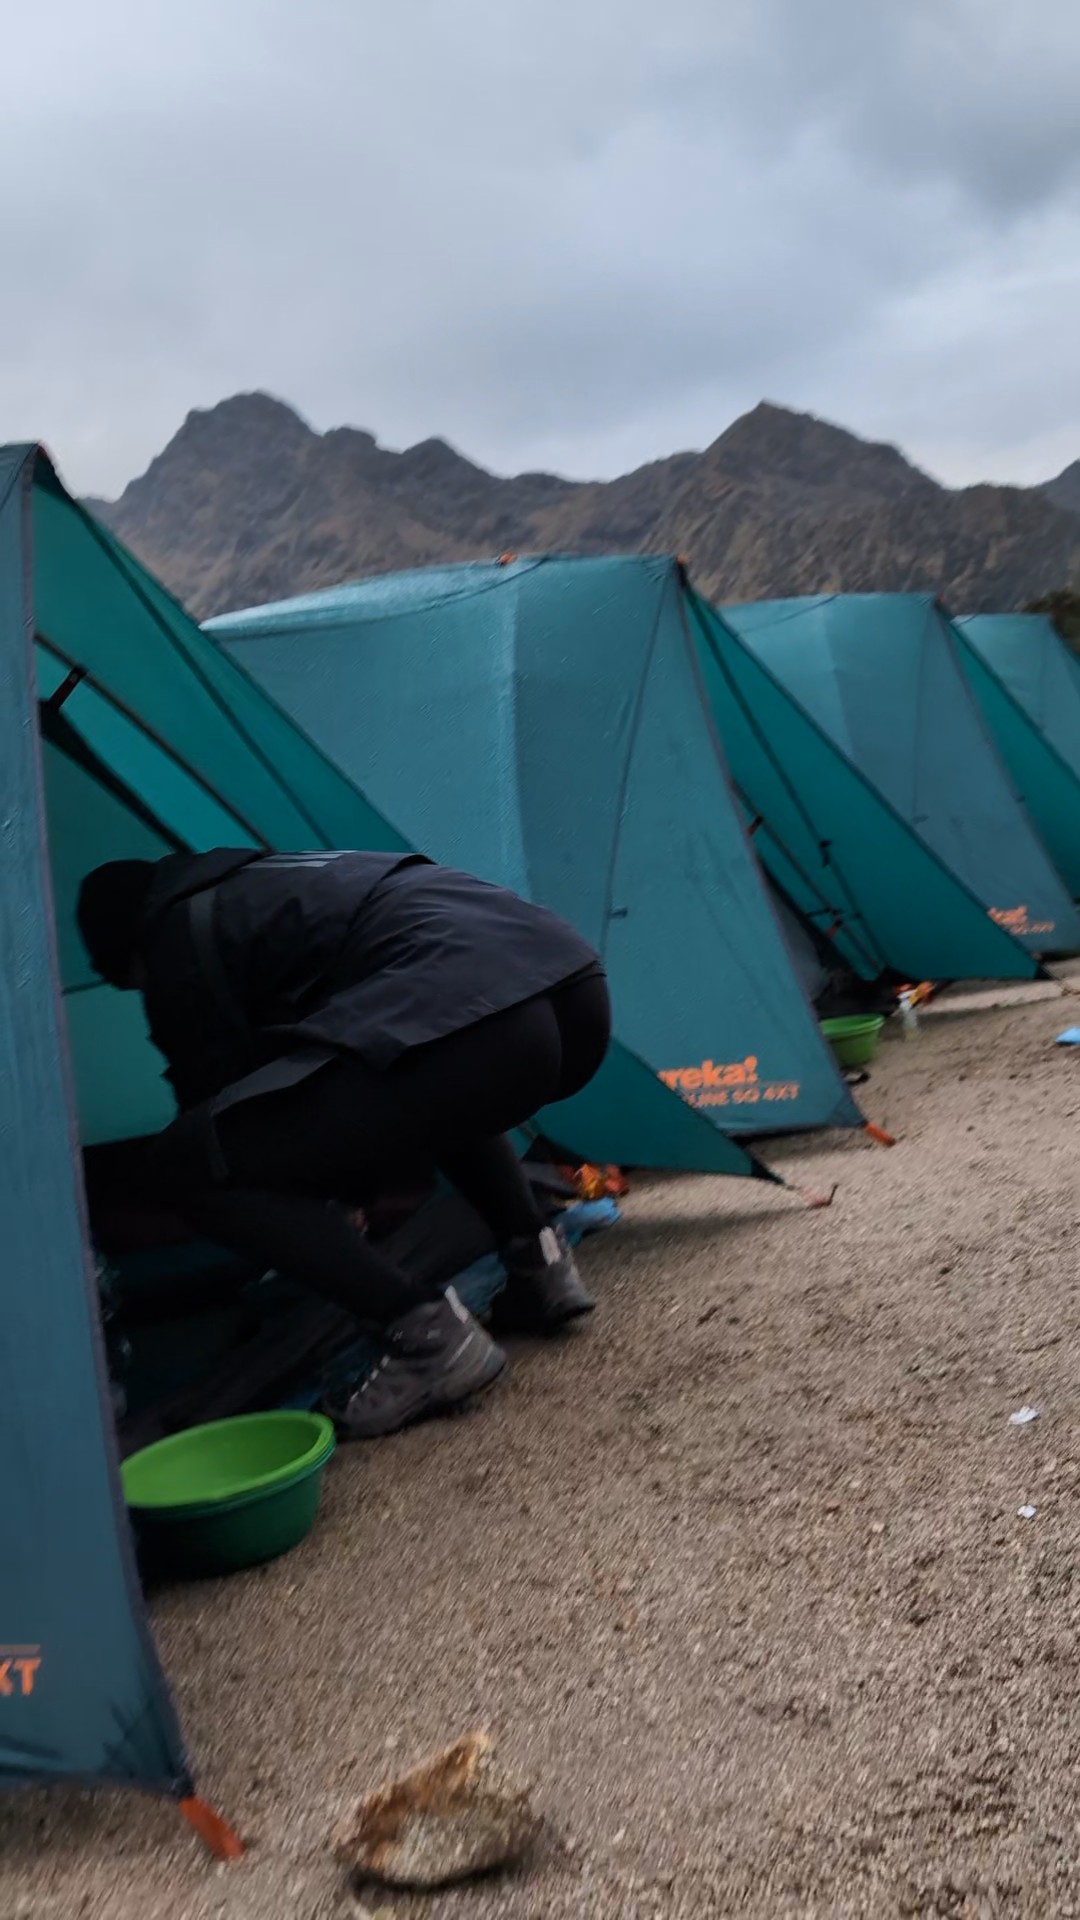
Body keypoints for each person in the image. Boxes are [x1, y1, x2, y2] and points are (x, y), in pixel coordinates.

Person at [76, 848, 611, 1438]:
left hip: (481, 1021)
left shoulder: (174, 941)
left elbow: (217, 1117)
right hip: (572, 988)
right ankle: (539, 1264)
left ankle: (426, 1336)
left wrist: (318, 1207)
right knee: (428, 1067)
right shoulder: (260, 882)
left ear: (123, 949)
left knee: (190, 1166)